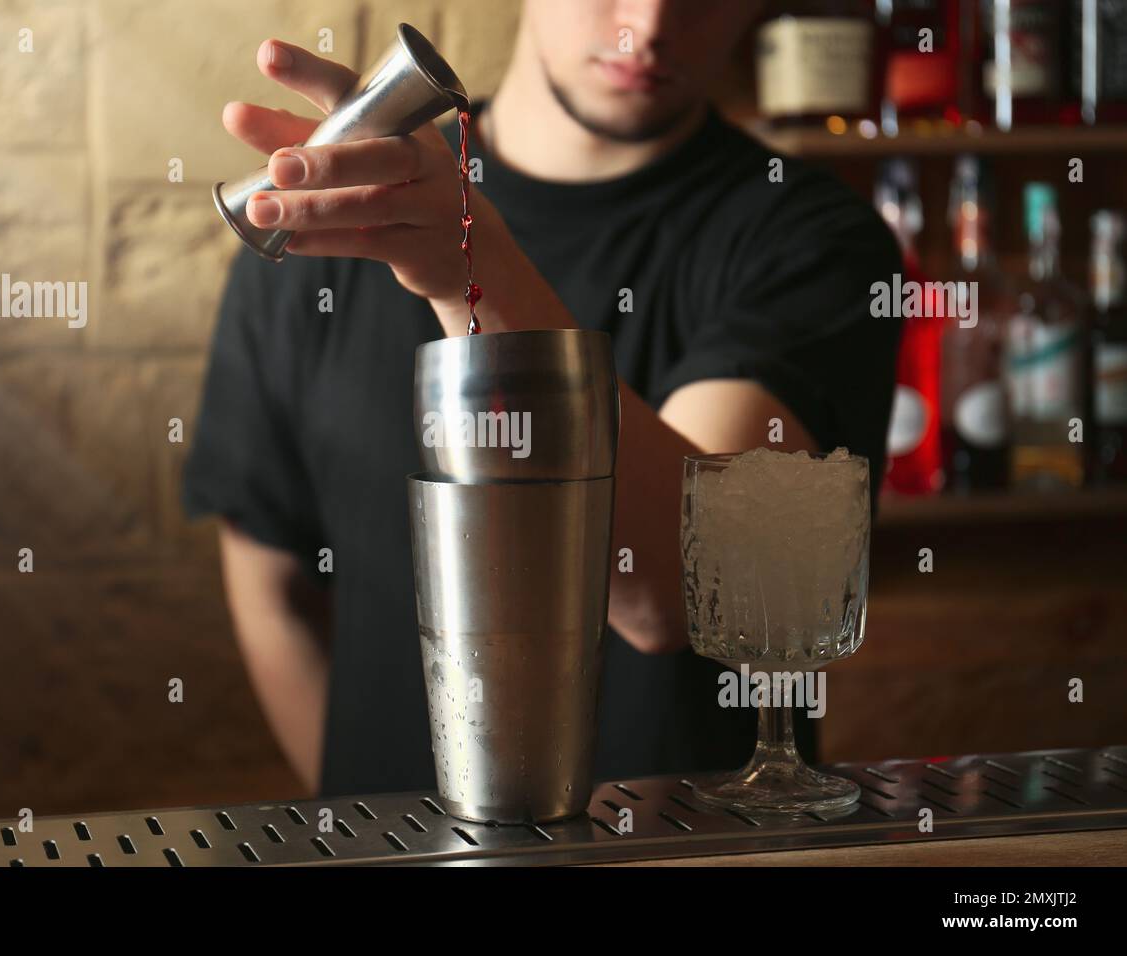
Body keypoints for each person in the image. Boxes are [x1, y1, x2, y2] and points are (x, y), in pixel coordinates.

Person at [184, 0, 902, 797]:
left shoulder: (817, 243)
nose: (651, 23)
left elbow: (685, 590)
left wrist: (473, 281)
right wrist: (364, 823)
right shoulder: (333, 223)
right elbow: (272, 588)